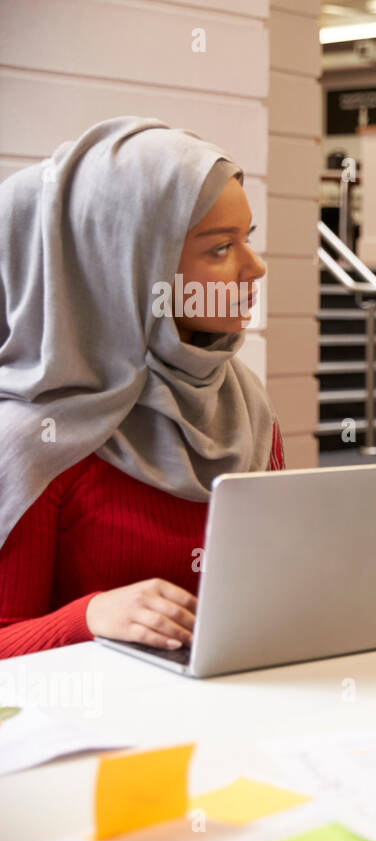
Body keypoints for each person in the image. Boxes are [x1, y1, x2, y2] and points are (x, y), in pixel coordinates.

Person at [0, 117, 283, 660]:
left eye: (248, 239)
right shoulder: (37, 438)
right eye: (220, 249)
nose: (255, 267)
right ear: (129, 268)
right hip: (101, 732)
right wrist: (88, 616)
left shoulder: (243, 404)